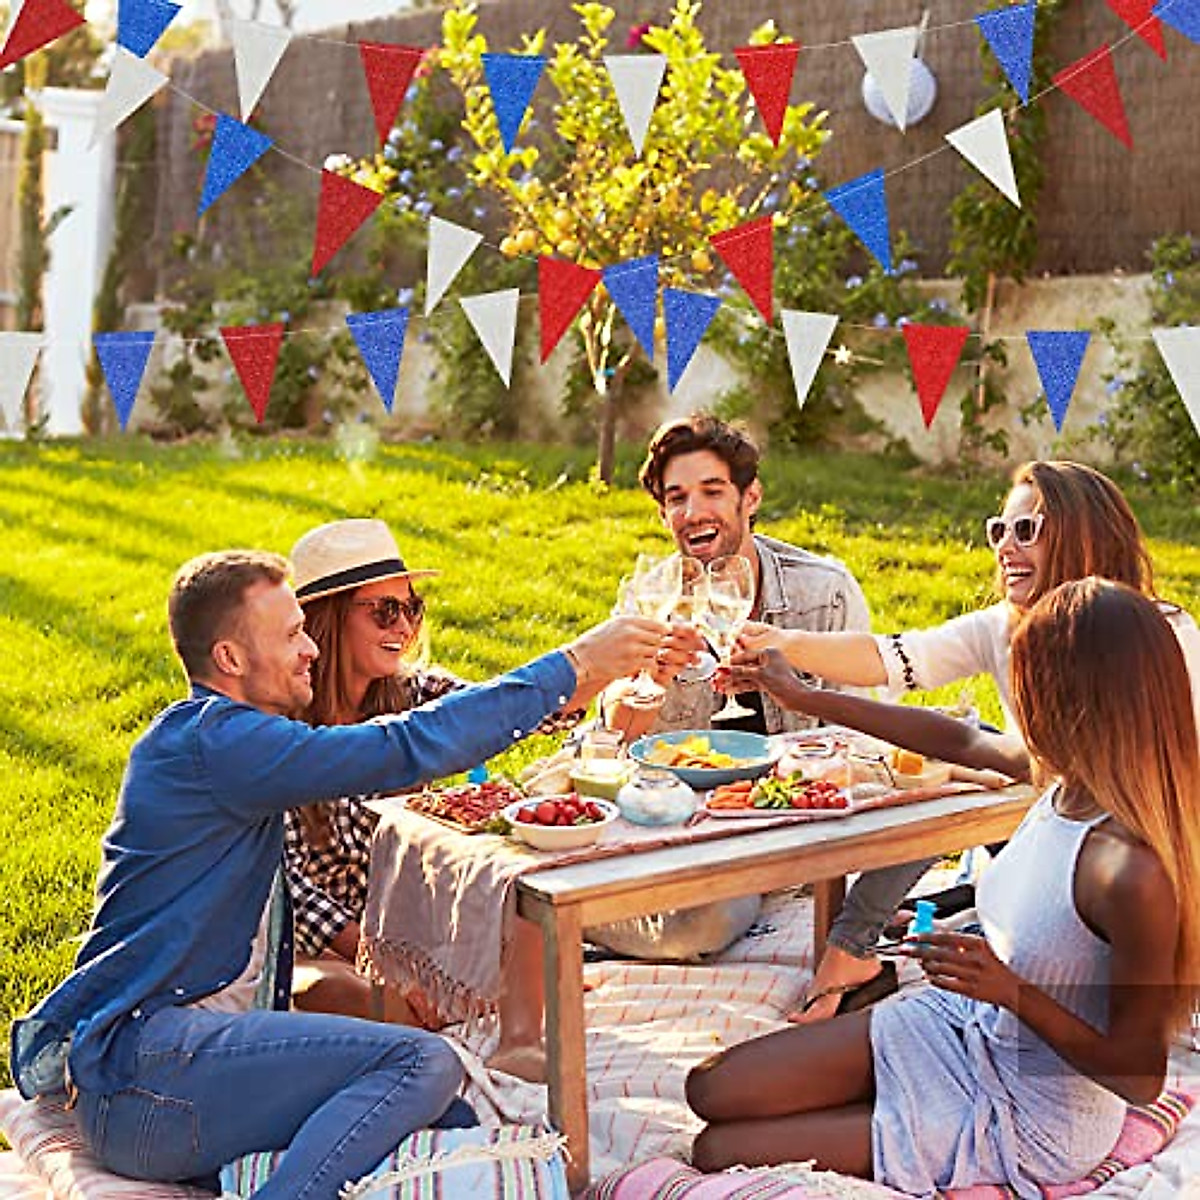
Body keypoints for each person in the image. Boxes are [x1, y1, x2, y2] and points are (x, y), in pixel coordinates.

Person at [9, 549, 667, 1198]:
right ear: (230, 659)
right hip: (143, 1081)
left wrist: (594, 683)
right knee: (424, 1061)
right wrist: (575, 662)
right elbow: (403, 747)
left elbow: (451, 720)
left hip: (178, 1084)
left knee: (452, 1119)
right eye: (291, 635)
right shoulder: (215, 741)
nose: (310, 651)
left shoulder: (228, 741)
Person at [687, 578, 1200, 1196]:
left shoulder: (1129, 869)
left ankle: (897, 1125)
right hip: (967, 1024)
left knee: (717, 1150)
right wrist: (800, 694)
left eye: (1029, 684)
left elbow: (1140, 1077)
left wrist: (1010, 991)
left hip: (1033, 1112)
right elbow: (956, 738)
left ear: (1079, 702)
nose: (1018, 702)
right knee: (710, 1088)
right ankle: (885, 1111)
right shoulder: (1062, 779)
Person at [740, 460, 1200, 1021]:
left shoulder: (1159, 638)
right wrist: (782, 647)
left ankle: (878, 941)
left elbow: (1156, 783)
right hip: (1050, 817)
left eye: (1027, 529)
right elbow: (895, 660)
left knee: (955, 758)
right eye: (998, 530)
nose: (1005, 546)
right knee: (936, 758)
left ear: (1086, 537)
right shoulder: (1008, 624)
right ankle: (858, 946)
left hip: (1141, 853)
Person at [283, 518, 568, 1077]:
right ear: (327, 619)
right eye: (384, 611)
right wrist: (384, 965)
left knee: (523, 875)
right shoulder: (282, 730)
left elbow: (509, 709)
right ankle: (460, 1023)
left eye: (411, 608)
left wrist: (607, 670)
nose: (404, 626)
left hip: (422, 933)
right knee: (327, 991)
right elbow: (289, 892)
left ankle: (511, 1039)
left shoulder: (414, 694)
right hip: (333, 950)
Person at [606, 413, 872, 741]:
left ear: (751, 498)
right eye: (677, 499)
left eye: (712, 492)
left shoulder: (826, 594)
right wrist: (654, 682)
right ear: (664, 514)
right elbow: (614, 737)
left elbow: (860, 735)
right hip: (684, 775)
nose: (693, 513)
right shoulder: (648, 602)